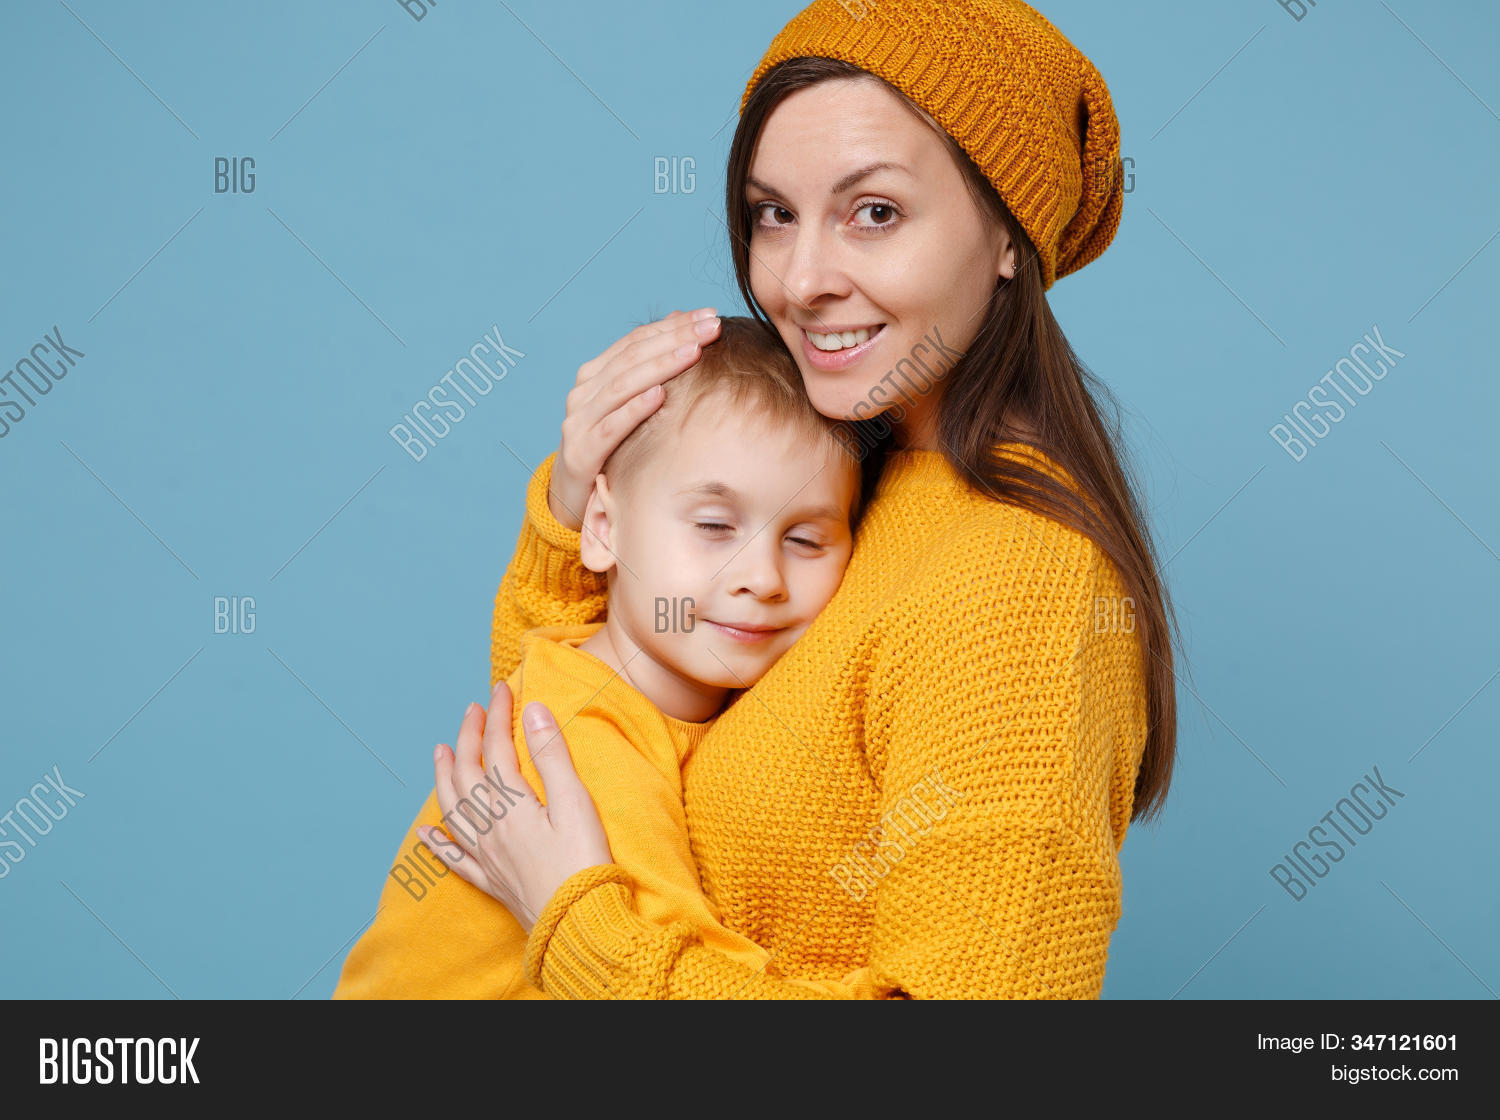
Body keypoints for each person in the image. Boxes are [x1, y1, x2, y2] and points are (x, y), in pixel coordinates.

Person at [412, 0, 1179, 999]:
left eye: (875, 212)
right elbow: (580, 718)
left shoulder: (1019, 578)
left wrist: (583, 924)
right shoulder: (857, 471)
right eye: (774, 213)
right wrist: (576, 511)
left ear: (1006, 236)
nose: (802, 278)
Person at [334, 318, 867, 998]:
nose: (761, 577)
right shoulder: (578, 738)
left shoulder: (623, 684)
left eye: (805, 539)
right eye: (714, 526)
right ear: (603, 529)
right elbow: (666, 974)